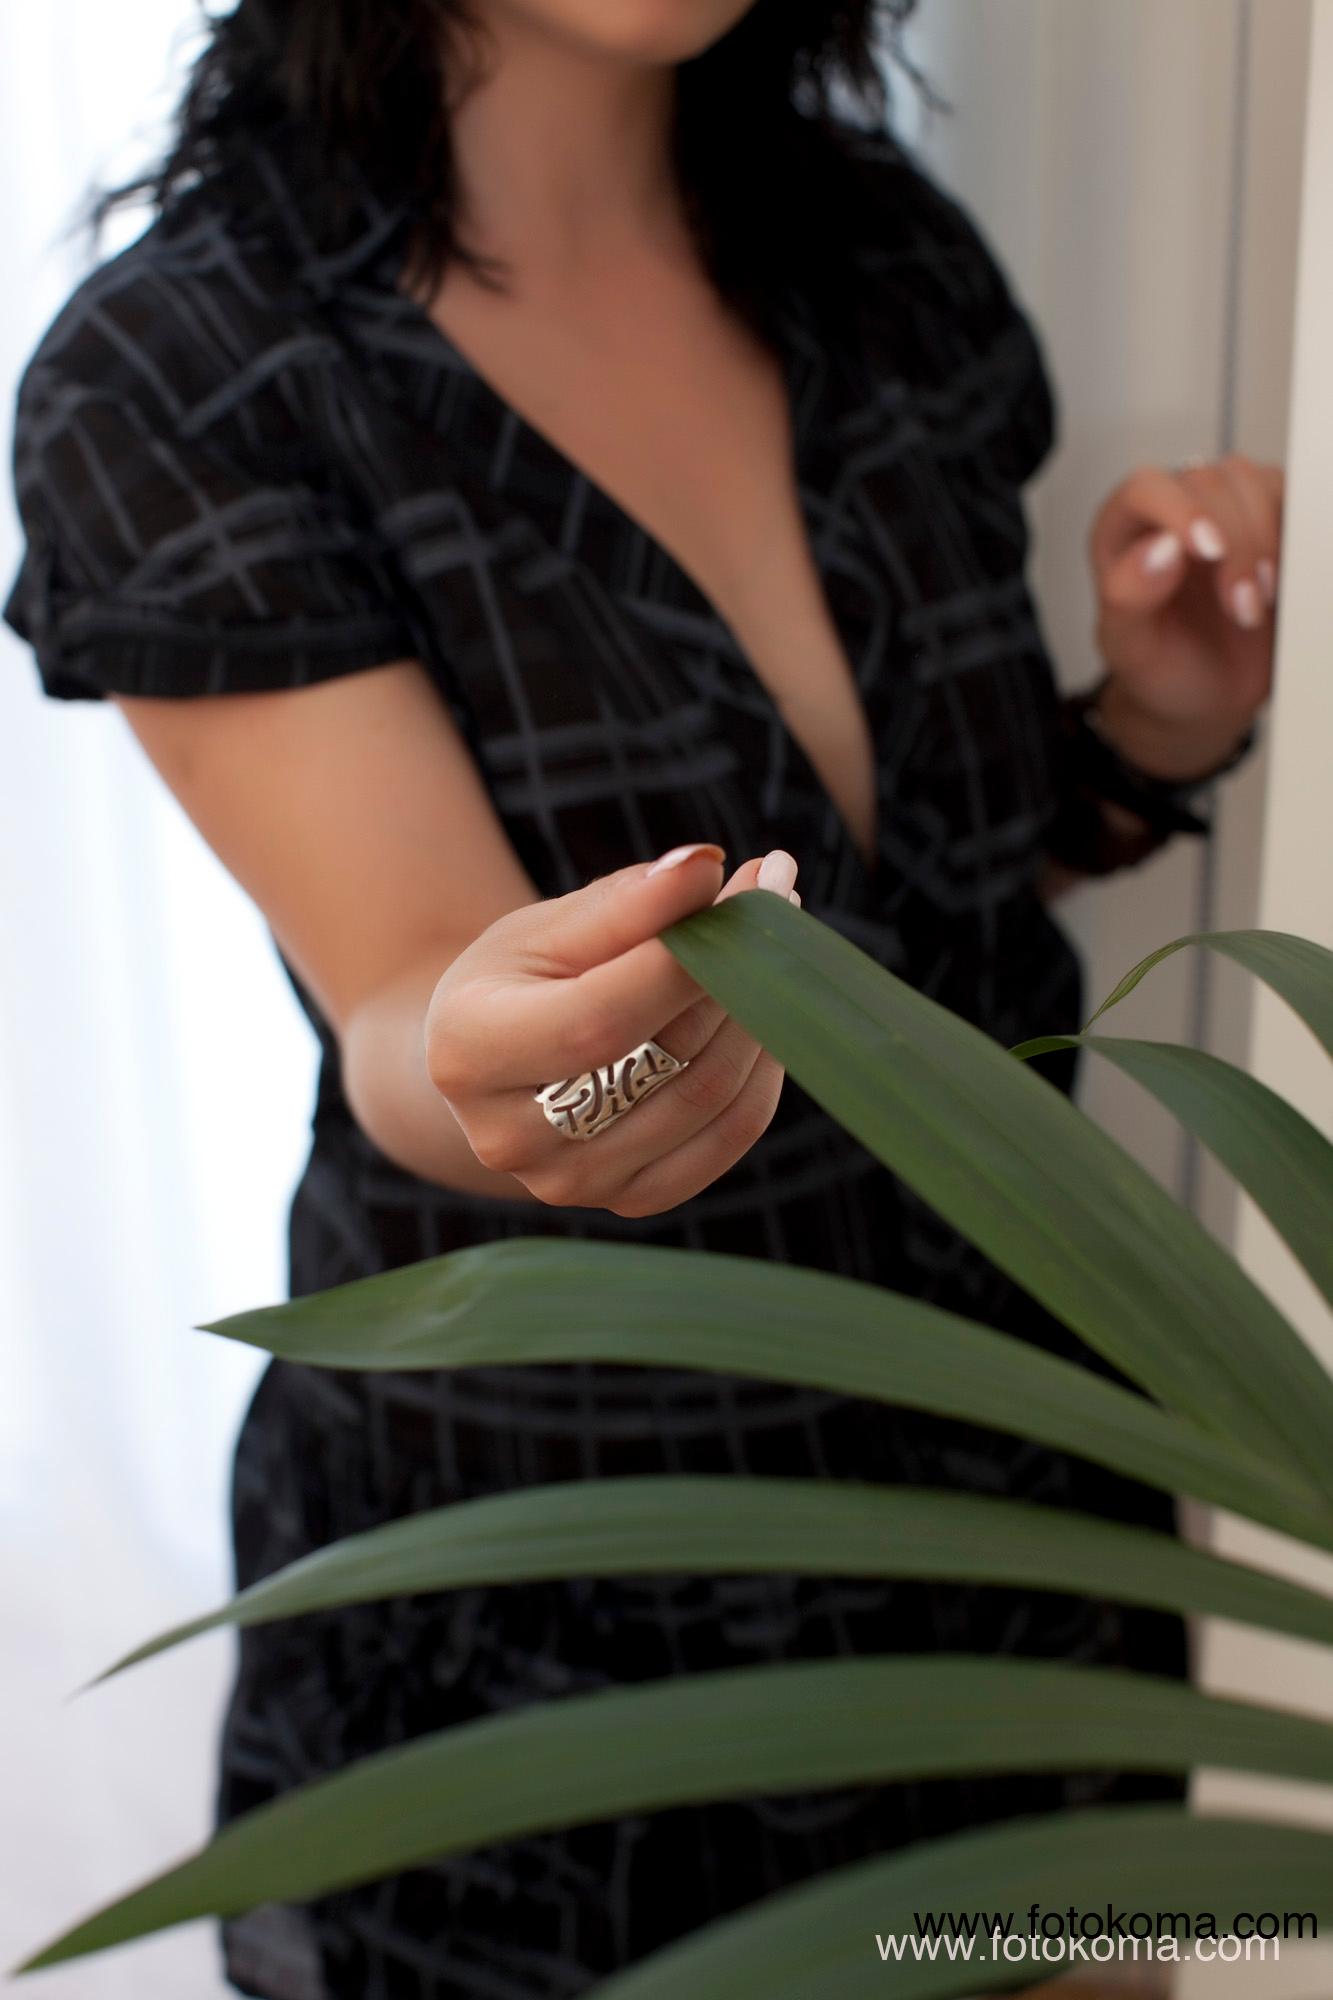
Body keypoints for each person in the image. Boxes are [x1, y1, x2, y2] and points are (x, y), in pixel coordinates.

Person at [5, 1, 1278, 1995]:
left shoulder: (880, 257)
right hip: (571, 1639)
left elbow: (894, 922)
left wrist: (1149, 725)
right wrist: (537, 1085)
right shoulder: (191, 371)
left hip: (1020, 1537)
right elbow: (413, 1002)